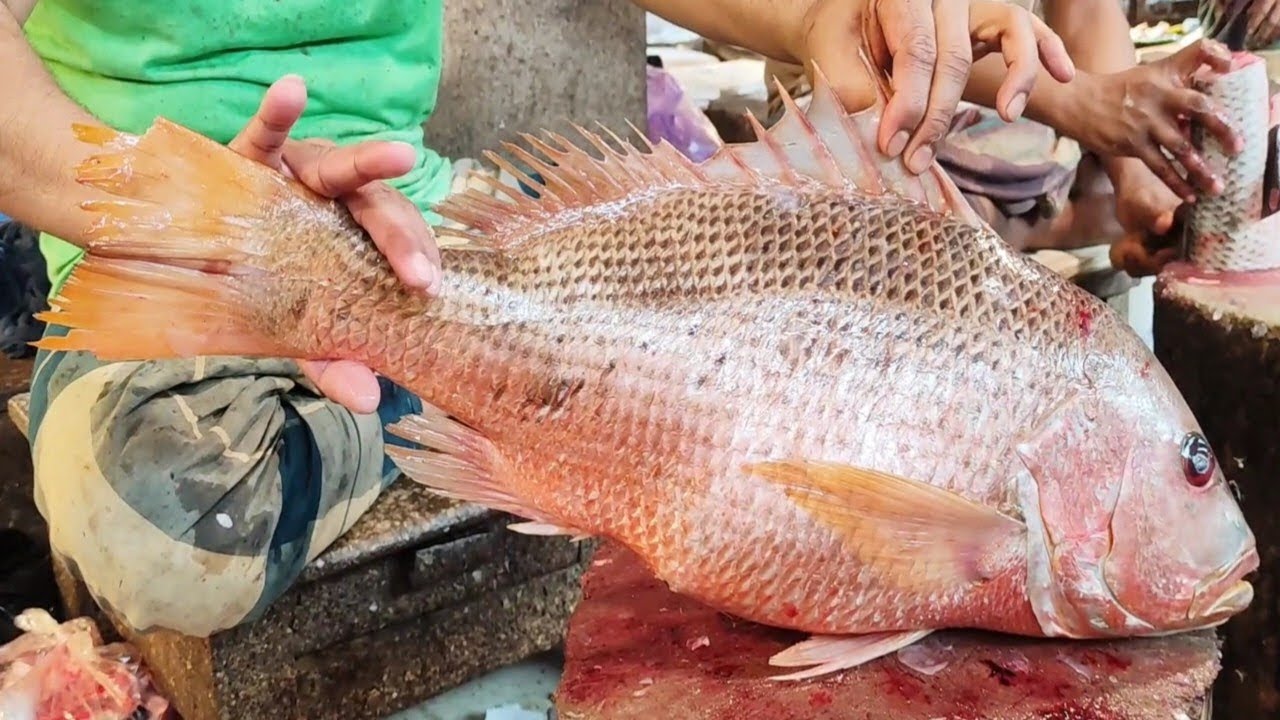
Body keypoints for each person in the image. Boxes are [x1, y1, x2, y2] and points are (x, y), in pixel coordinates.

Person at [0, 0, 1074, 637]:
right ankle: (476, 375)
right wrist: (162, 212)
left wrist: (813, 16)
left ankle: (470, 367)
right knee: (169, 534)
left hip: (435, 225)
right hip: (147, 216)